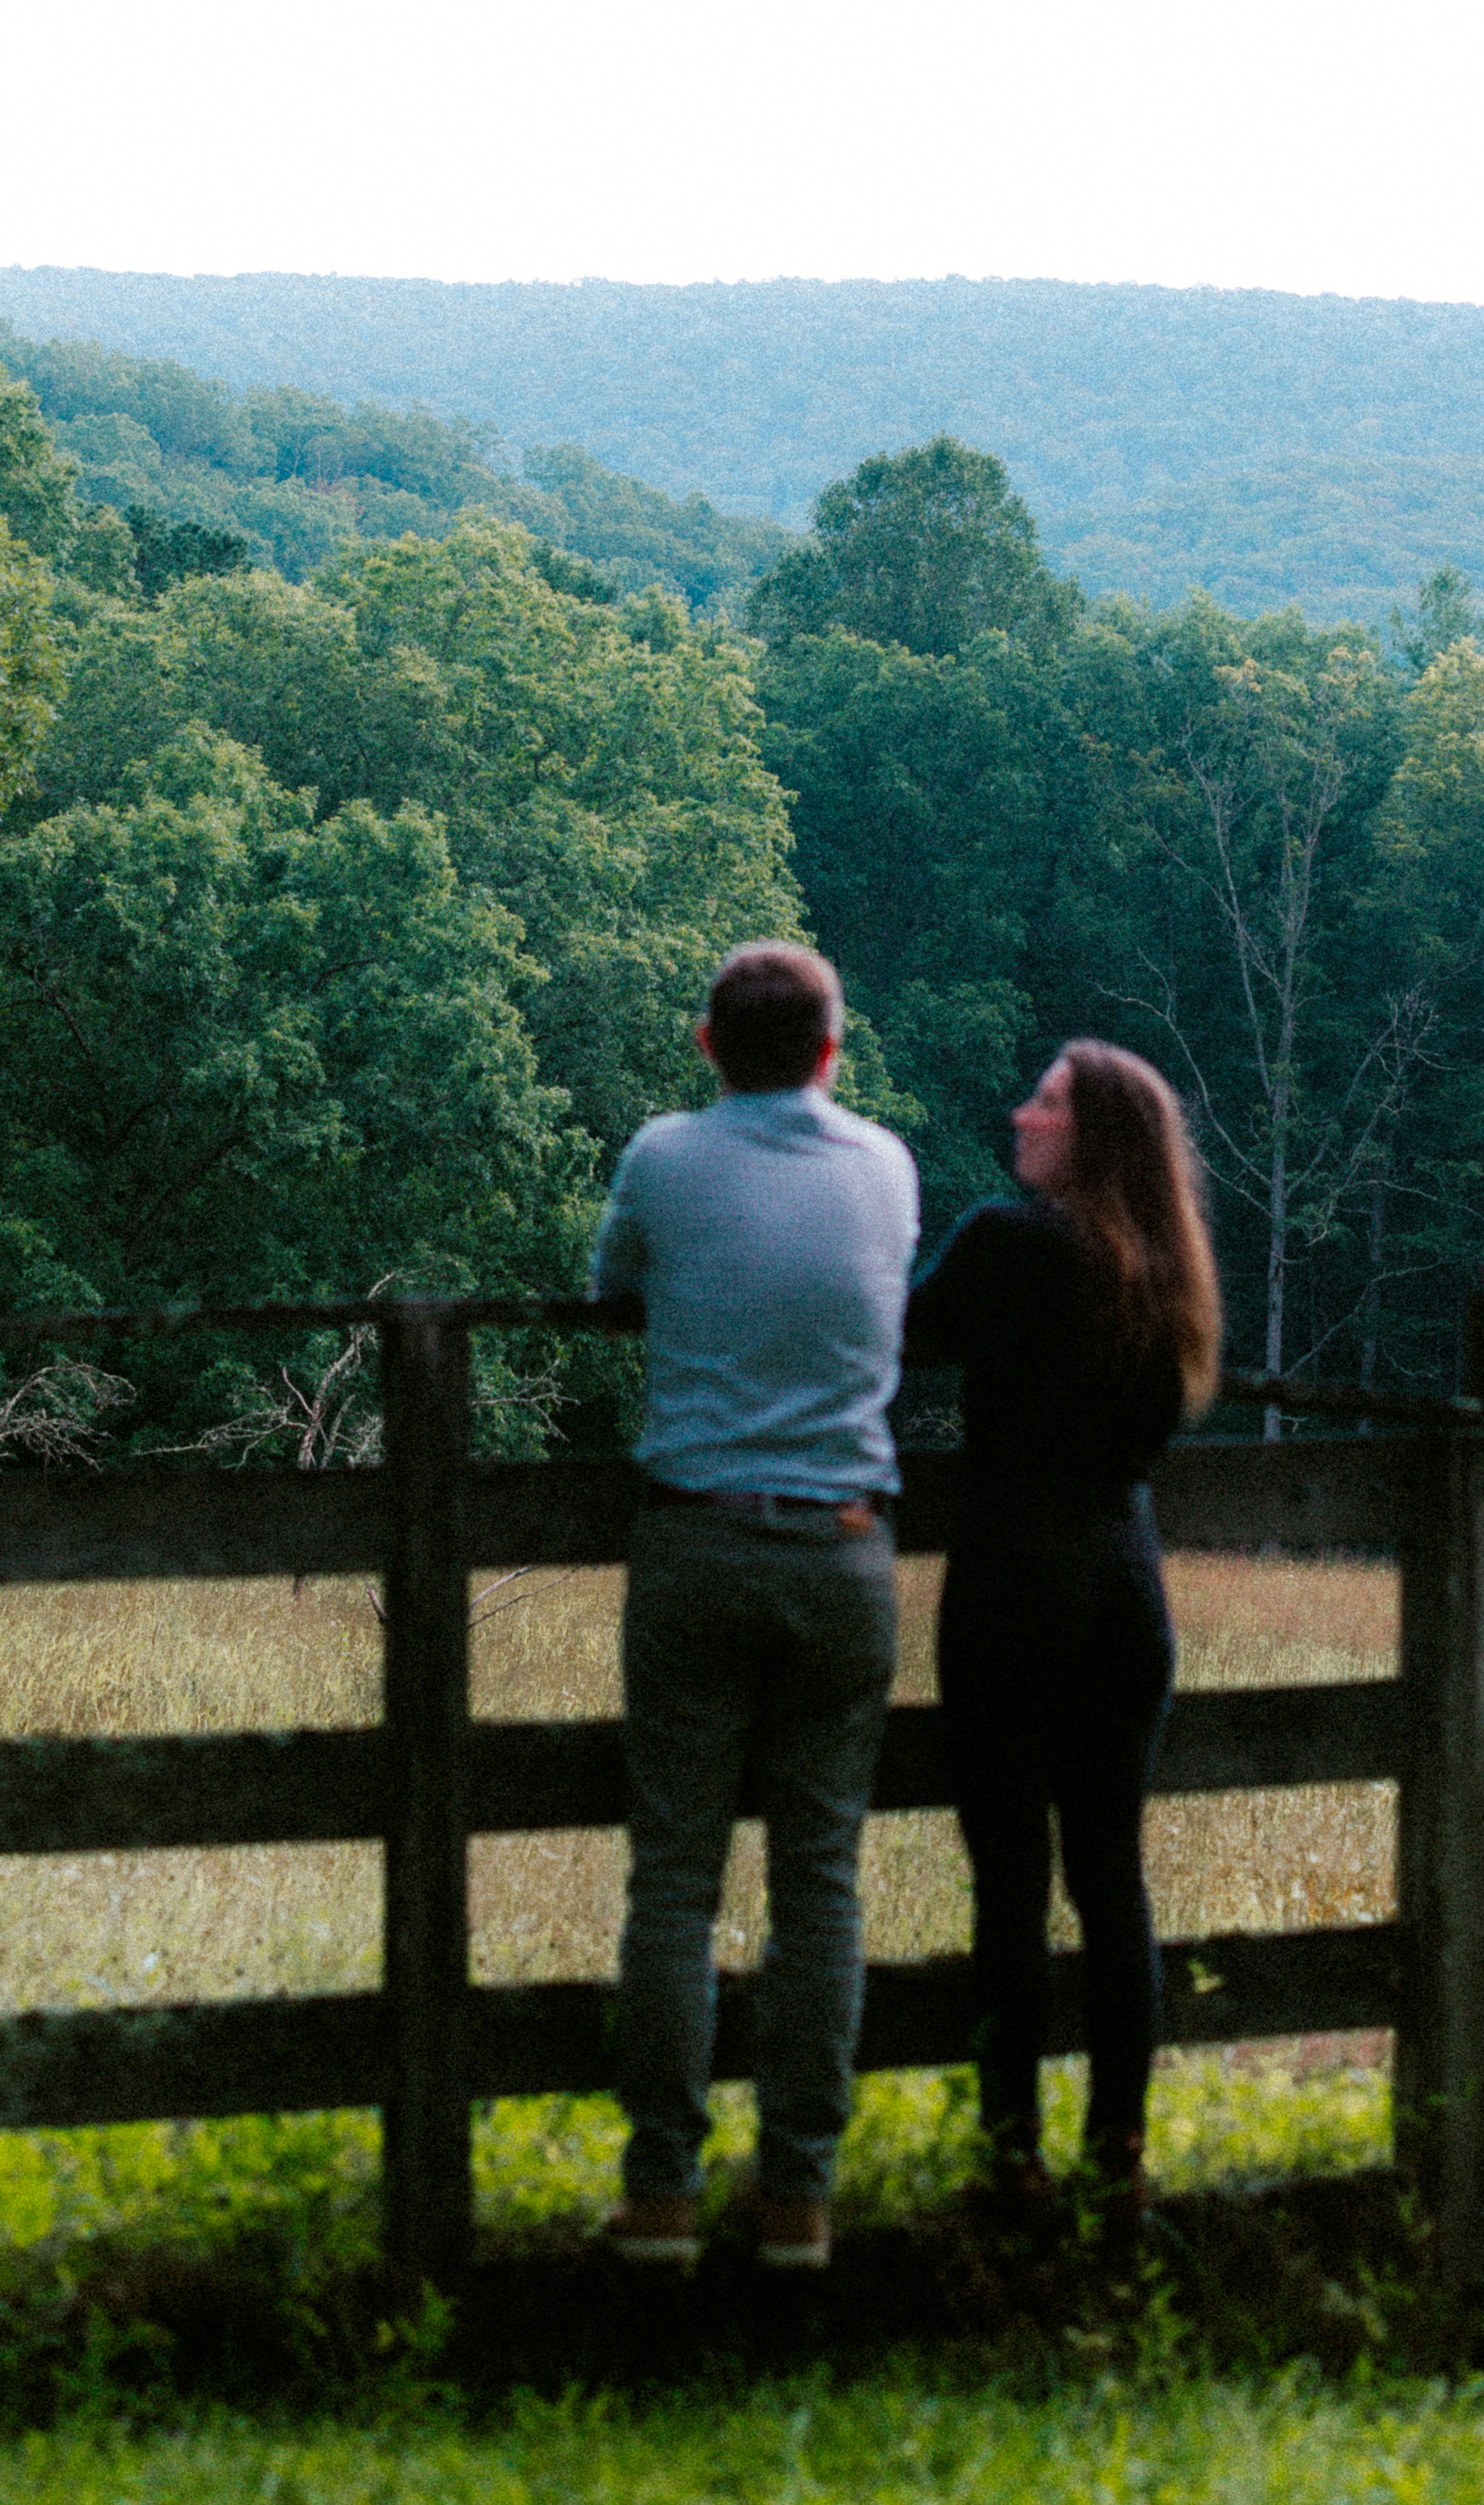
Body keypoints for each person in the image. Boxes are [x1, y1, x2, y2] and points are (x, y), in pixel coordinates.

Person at [588, 936, 919, 2276]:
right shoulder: (885, 1168)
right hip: (841, 1551)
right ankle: (796, 2197)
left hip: (698, 1544)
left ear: (707, 1043)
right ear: (831, 1052)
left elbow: (612, 1286)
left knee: (673, 1880)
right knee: (819, 1888)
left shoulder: (663, 1157)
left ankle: (661, 2194)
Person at [902, 1037, 1223, 2215]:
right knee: (1110, 1876)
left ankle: (1011, 2150)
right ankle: (1120, 2152)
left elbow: (902, 1334)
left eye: (1042, 1102)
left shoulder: (1008, 1243)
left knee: (1009, 1879)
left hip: (1016, 1582)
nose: (1018, 1112)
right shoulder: (1164, 1275)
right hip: (1125, 1588)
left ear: (1087, 1136)